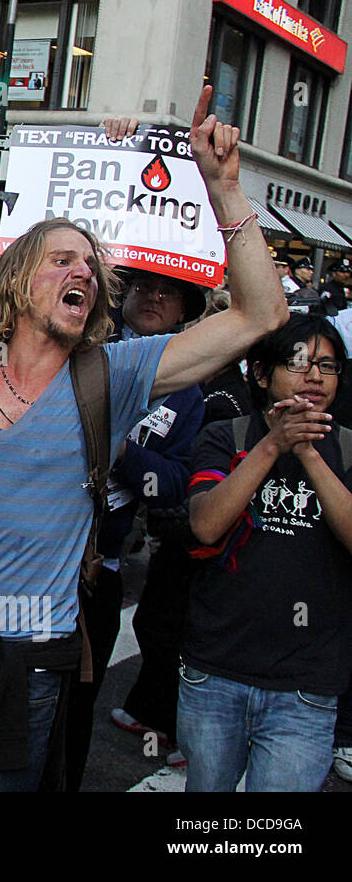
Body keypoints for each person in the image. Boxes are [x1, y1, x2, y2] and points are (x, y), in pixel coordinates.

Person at [0, 87, 288, 791]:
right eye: (61, 260)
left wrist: (225, 189)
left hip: (31, 661)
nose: (82, 273)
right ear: (15, 282)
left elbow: (262, 313)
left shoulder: (117, 373)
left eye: (91, 269)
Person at [181, 314, 352, 791]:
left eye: (328, 365)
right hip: (216, 668)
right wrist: (274, 445)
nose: (315, 376)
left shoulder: (348, 450)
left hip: (306, 683)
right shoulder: (227, 436)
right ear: (260, 373)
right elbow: (207, 524)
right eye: (299, 363)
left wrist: (310, 453)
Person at [63, 268, 206, 788]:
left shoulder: (187, 392)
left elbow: (170, 486)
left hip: (98, 573)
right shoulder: (80, 349)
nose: (154, 297)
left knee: (74, 709)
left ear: (188, 309)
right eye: (144, 287)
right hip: (30, 552)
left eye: (169, 292)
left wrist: (121, 447)